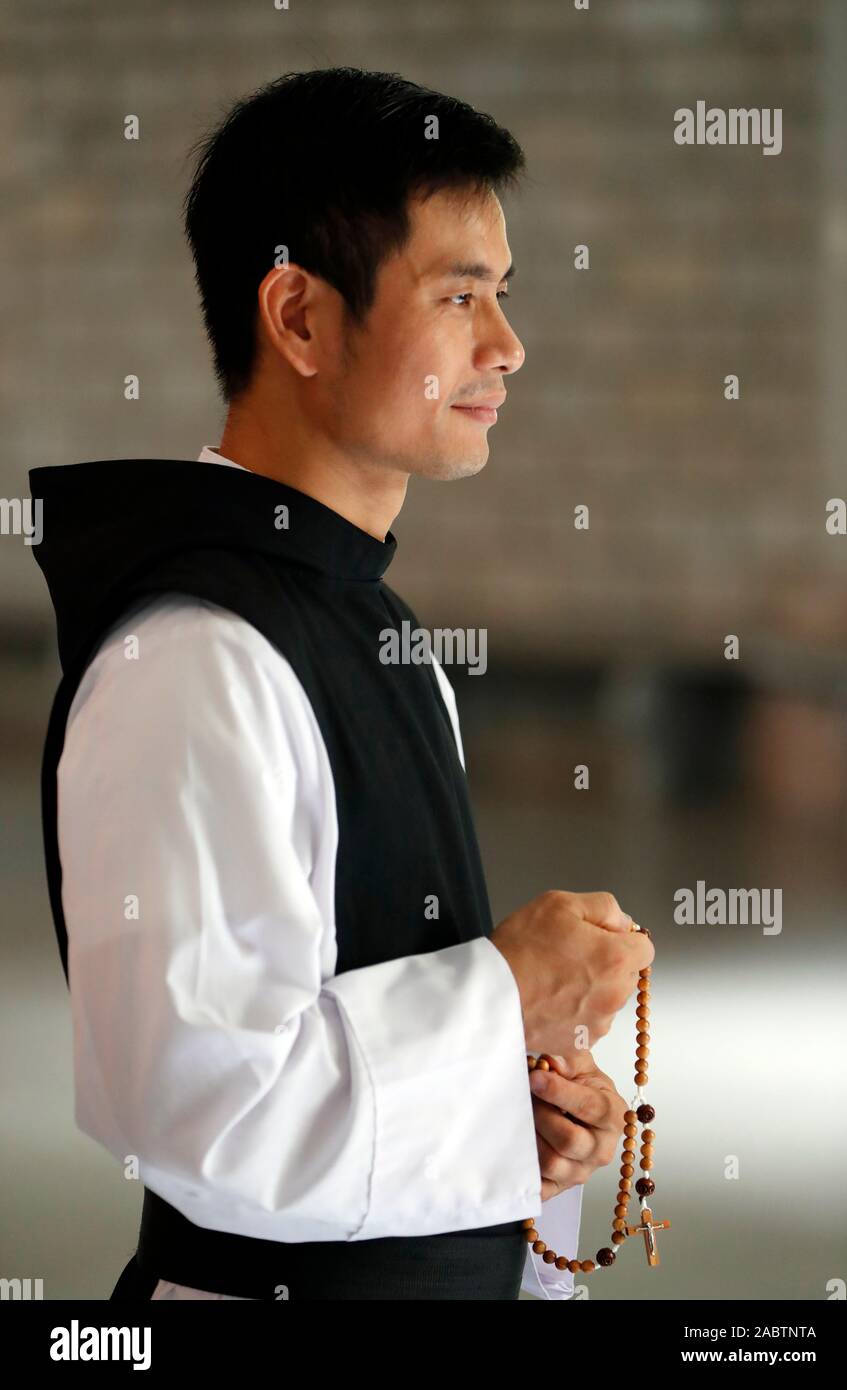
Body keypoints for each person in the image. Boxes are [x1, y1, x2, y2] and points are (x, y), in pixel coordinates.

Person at [29, 67, 653, 1301]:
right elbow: (203, 1112)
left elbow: (363, 1053)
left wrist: (517, 1114)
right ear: (301, 318)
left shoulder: (382, 637)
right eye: (457, 294)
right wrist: (503, 992)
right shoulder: (197, 659)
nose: (506, 346)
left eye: (504, 295)